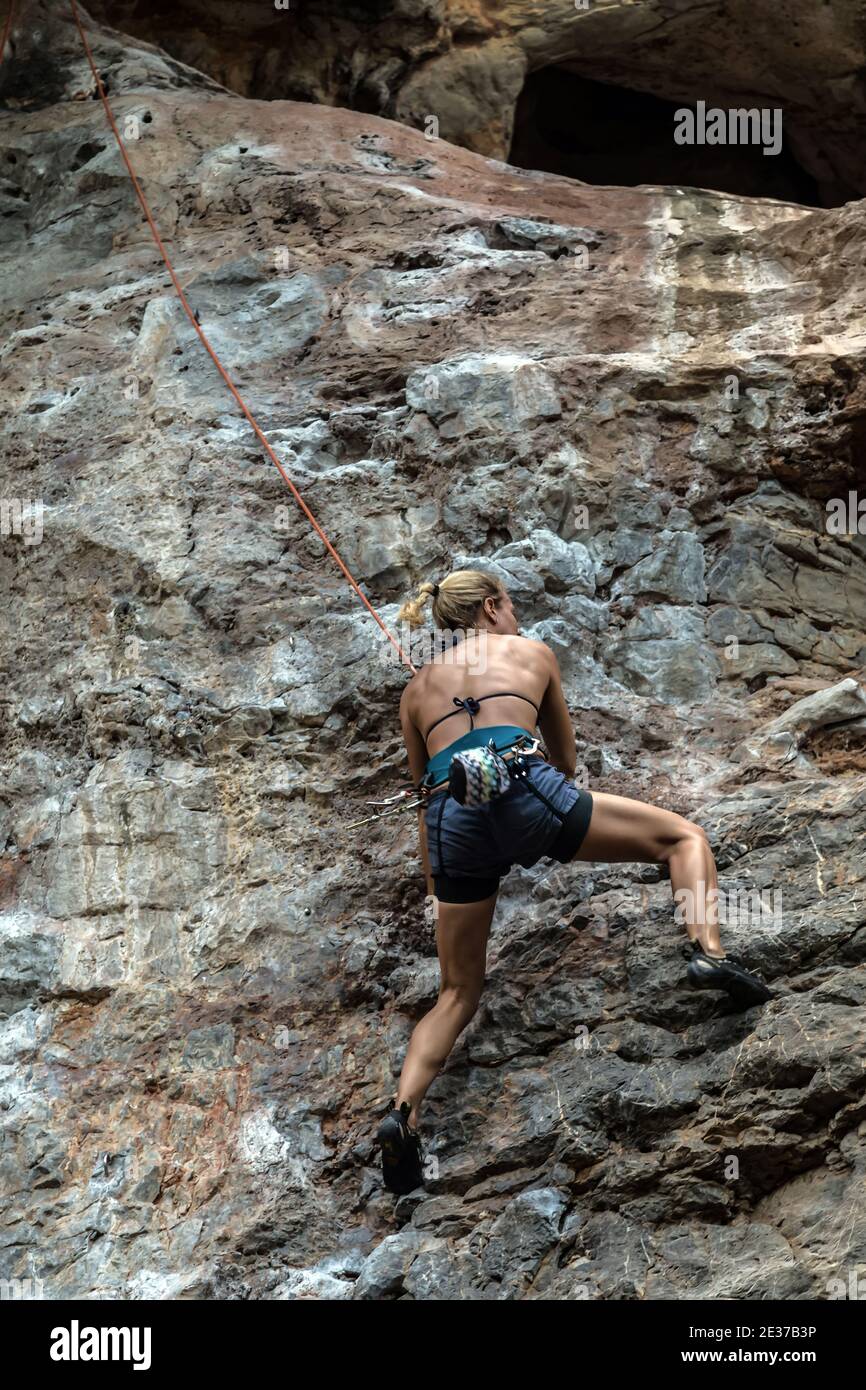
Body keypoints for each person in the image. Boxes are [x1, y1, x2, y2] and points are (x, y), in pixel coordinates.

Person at [376, 569, 771, 1193]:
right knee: (682, 838)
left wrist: (438, 885)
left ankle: (403, 1114)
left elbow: (425, 793)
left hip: (454, 826)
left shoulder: (414, 692)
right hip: (527, 792)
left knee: (456, 992)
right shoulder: (533, 654)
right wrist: (545, 812)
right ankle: (709, 953)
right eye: (510, 607)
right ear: (490, 607)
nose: (516, 618)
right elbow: (564, 760)